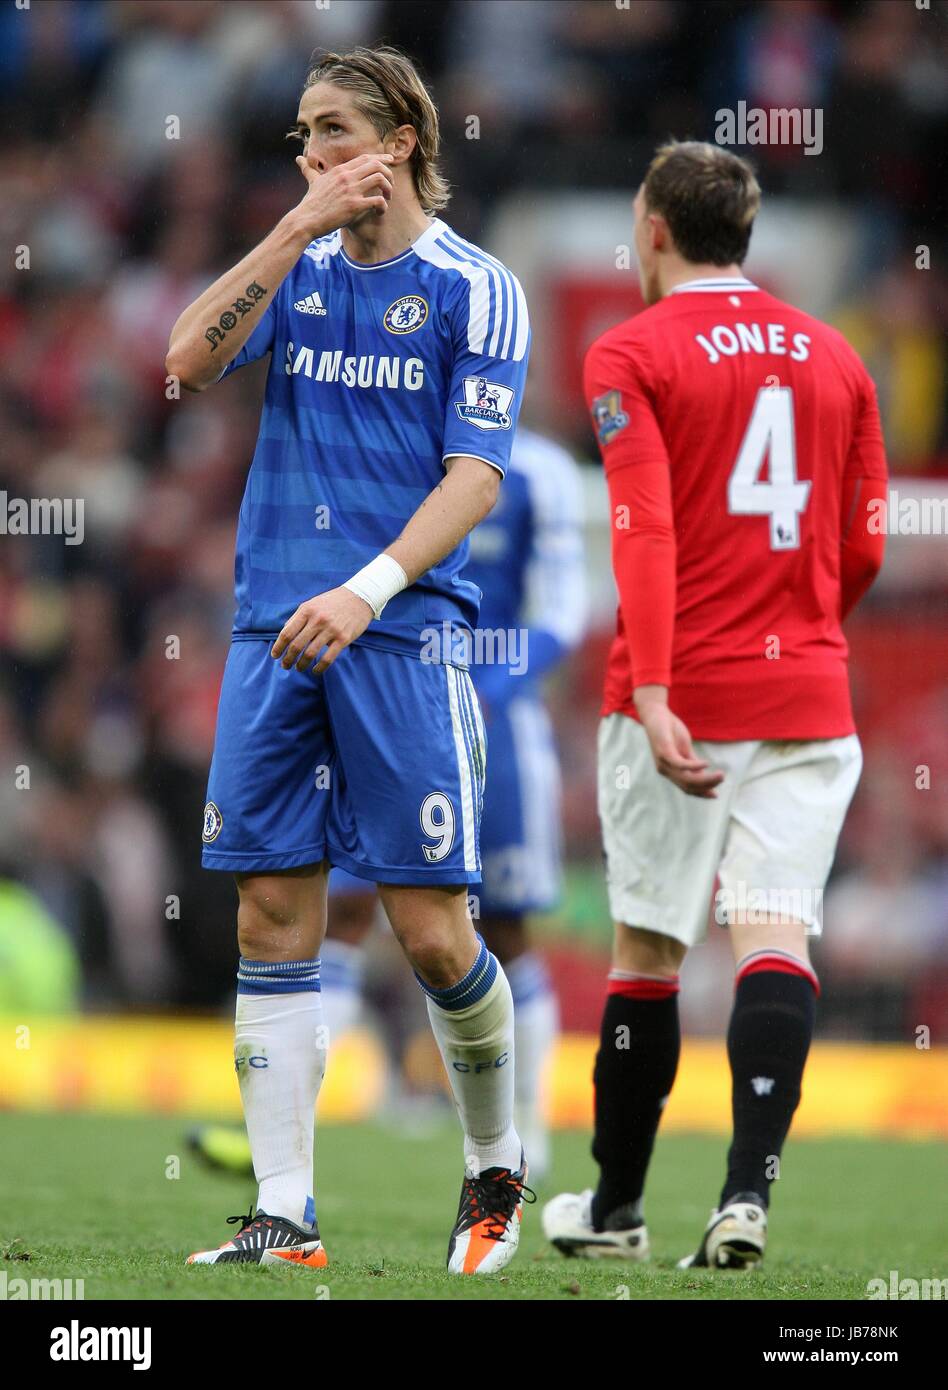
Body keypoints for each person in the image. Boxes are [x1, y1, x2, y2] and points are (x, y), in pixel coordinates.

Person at [166, 45, 531, 1276]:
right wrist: (291, 229)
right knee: (271, 910)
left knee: (431, 932)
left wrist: (367, 591)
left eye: (331, 130)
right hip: (274, 626)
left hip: (403, 633)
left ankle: (495, 1168)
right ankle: (286, 1211)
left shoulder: (479, 288)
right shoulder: (300, 265)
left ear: (401, 142)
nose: (310, 152)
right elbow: (186, 361)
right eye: (302, 134)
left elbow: (475, 478)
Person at [542, 140, 886, 1268]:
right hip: (810, 696)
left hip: (681, 693)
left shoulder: (630, 350)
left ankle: (616, 1210)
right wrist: (805, 629)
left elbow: (642, 525)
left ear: (652, 229)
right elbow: (865, 544)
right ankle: (745, 1198)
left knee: (649, 950)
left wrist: (652, 687)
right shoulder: (837, 355)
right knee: (775, 934)